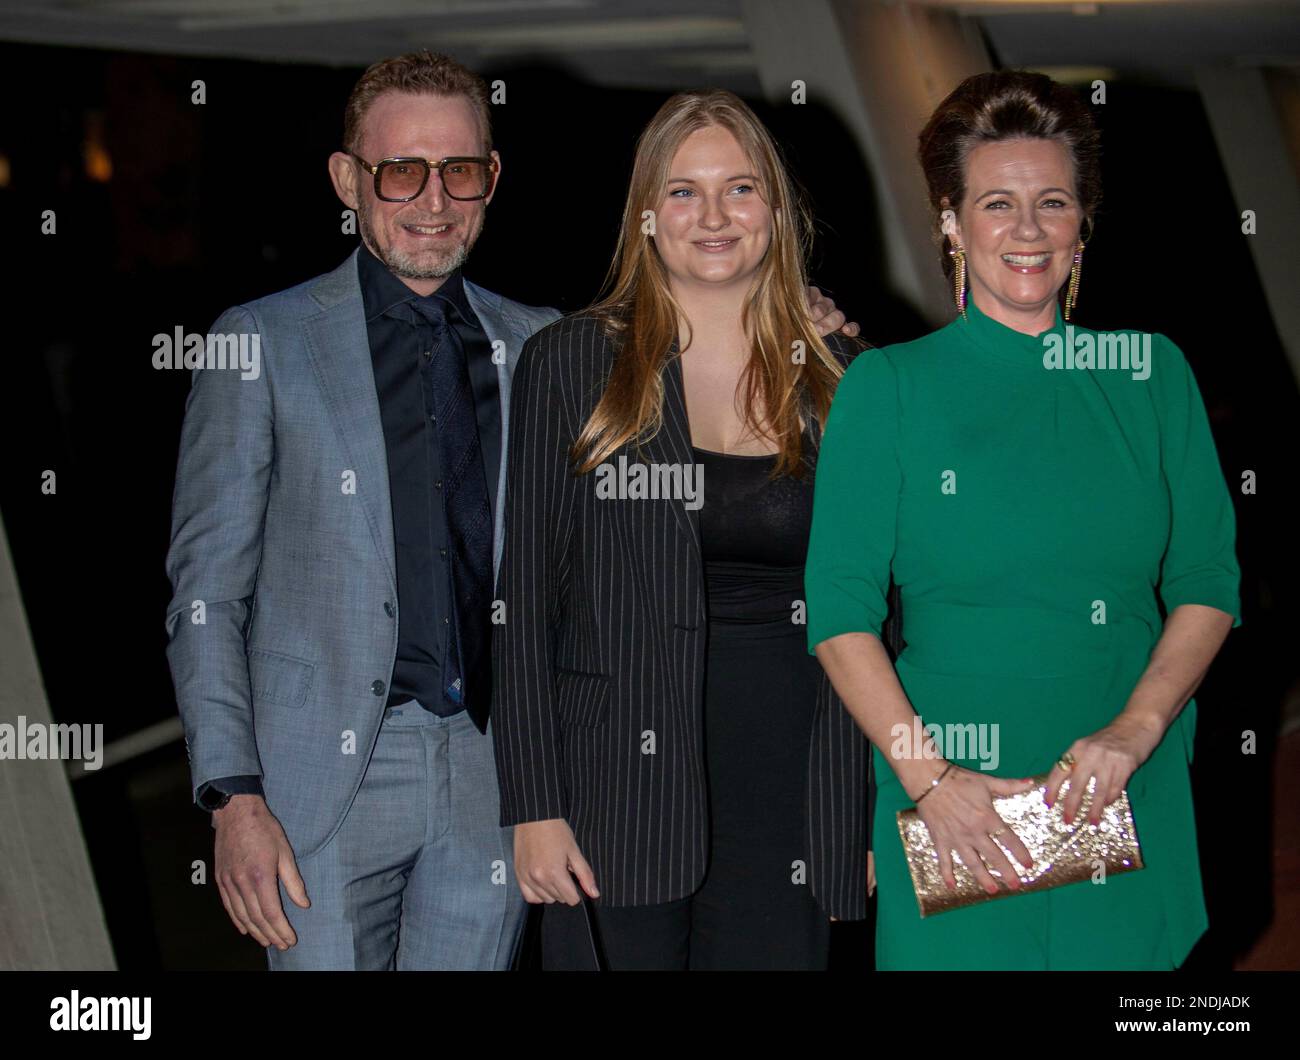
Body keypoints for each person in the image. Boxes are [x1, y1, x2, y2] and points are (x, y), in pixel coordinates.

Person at [165, 52, 851, 970]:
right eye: (401, 171)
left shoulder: (543, 345)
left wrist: (799, 316)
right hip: (323, 783)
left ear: (492, 179)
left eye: (461, 170)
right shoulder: (259, 341)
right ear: (347, 180)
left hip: (498, 773)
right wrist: (232, 793)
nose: (433, 199)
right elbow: (206, 592)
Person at [806, 69, 1240, 970]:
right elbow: (840, 613)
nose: (1030, 229)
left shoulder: (1151, 375)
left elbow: (1207, 584)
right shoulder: (890, 388)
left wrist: (1136, 730)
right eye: (998, 203)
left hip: (1126, 778)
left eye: (1054, 202)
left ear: (1083, 224)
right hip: (959, 796)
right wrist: (932, 782)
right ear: (953, 224)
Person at [492, 89, 891, 970]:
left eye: (739, 188)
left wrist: (873, 806)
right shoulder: (571, 360)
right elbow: (522, 605)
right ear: (644, 215)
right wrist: (532, 804)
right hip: (610, 791)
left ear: (777, 211)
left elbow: (883, 616)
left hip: (793, 787)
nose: (712, 215)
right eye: (682, 191)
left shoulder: (848, 378)